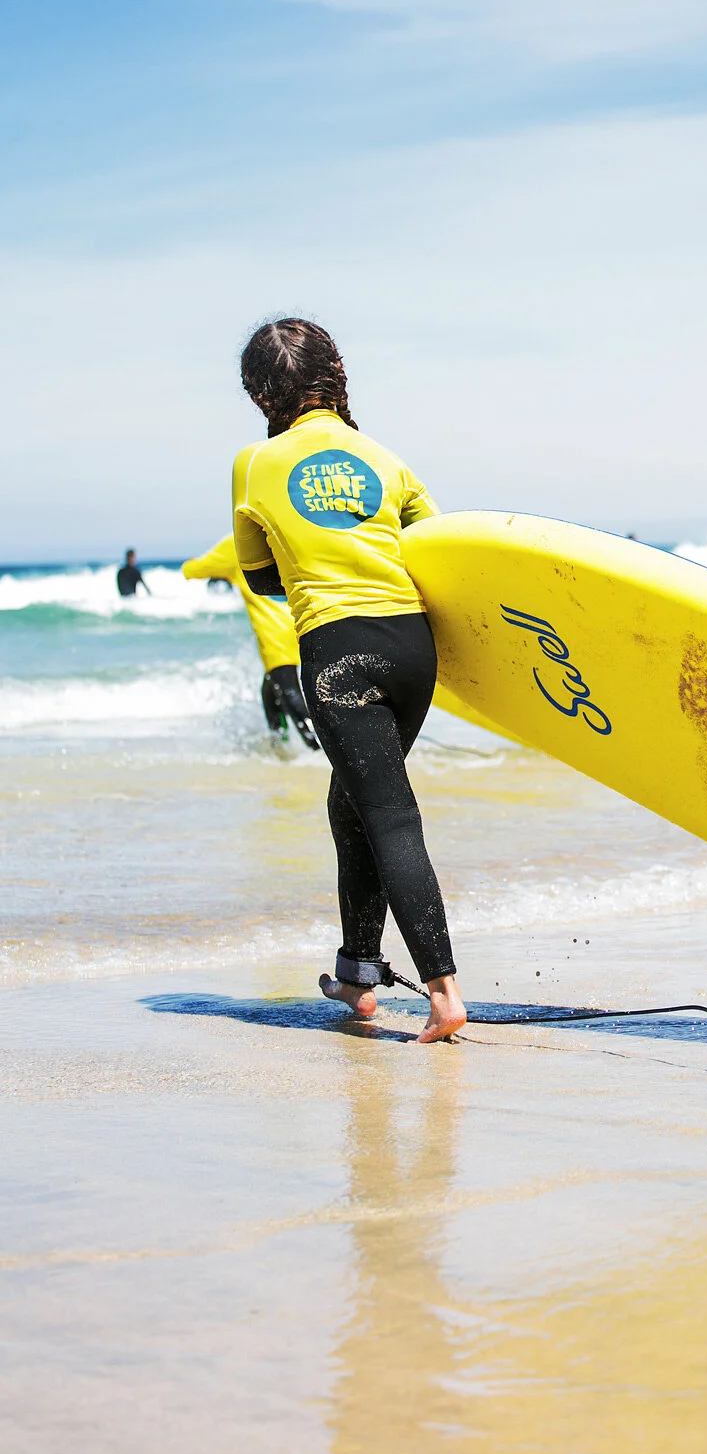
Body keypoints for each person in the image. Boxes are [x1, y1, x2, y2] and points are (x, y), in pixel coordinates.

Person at [232, 316, 466, 1043]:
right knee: (353, 804)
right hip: (414, 650)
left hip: (339, 654)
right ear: (335, 375)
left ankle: (444, 996)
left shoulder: (255, 464)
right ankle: (358, 977)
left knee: (389, 815)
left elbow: (258, 575)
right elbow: (440, 552)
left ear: (262, 394)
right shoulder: (386, 459)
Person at [181, 535, 319, 749]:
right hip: (301, 622)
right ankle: (281, 748)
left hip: (274, 633)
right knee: (270, 692)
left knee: (289, 690)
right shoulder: (281, 537)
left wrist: (188, 565)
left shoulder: (236, 545)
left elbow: (194, 570)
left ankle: (317, 747)